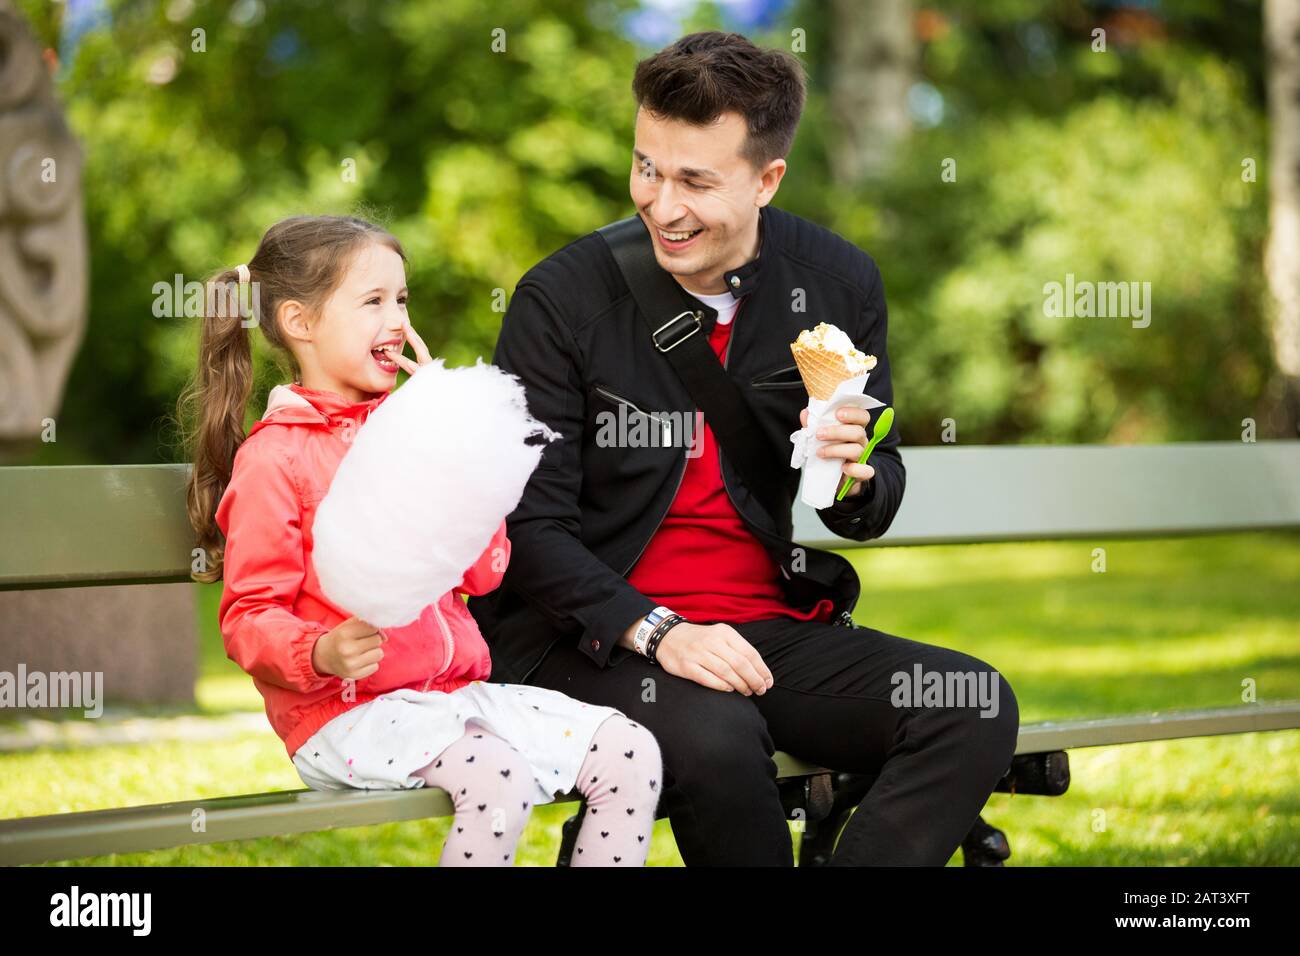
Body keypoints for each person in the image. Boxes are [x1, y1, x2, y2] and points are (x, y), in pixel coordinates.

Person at [467, 32, 1020, 866]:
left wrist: (854, 476)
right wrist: (660, 633)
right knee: (715, 734)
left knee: (971, 702)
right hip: (589, 636)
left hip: (763, 629)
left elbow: (871, 495)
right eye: (647, 167)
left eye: (696, 180)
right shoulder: (561, 299)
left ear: (767, 180)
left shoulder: (836, 284)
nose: (662, 204)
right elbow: (529, 533)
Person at [179, 214, 661, 866]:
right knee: (499, 779)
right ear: (300, 322)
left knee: (630, 752)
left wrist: (453, 445)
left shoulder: (411, 436)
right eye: (372, 301)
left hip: (449, 698)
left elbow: (484, 575)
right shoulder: (277, 459)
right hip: (343, 715)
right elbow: (246, 617)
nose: (398, 320)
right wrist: (318, 650)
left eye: (401, 300)